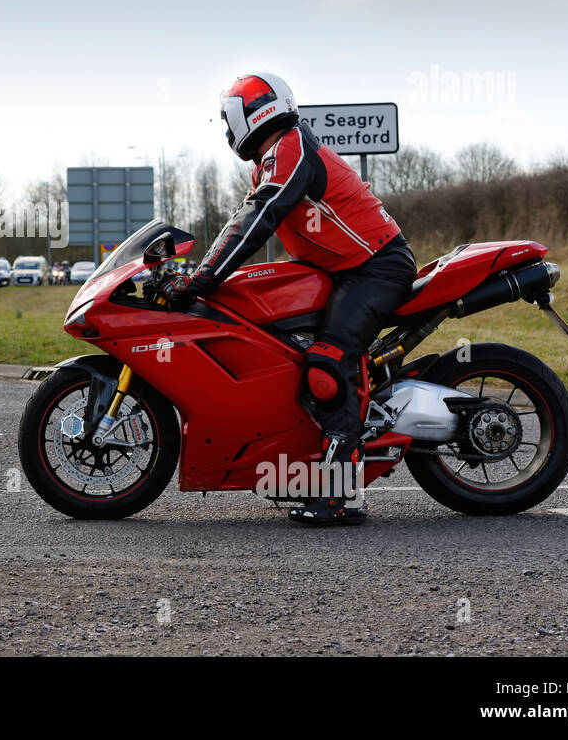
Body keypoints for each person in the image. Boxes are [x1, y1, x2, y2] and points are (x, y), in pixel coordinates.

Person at [157, 72, 416, 526]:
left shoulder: (291, 147)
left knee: (326, 365)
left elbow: (260, 217)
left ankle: (339, 495)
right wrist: (201, 272)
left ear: (250, 115)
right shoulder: (276, 156)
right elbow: (245, 216)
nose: (226, 131)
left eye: (228, 119)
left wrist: (202, 278)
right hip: (343, 269)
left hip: (375, 267)